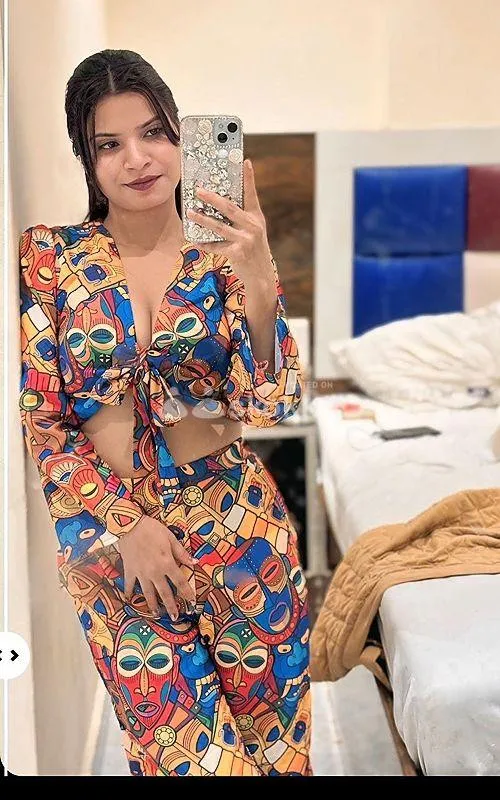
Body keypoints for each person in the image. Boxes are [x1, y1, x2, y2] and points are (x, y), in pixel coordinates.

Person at [19, 49, 311, 777]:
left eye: (154, 133)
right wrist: (129, 527)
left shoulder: (226, 255)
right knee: (189, 761)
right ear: (86, 159)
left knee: (276, 755)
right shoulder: (52, 259)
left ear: (181, 136)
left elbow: (272, 401)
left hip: (240, 528)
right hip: (114, 547)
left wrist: (260, 277)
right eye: (109, 143)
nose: (138, 158)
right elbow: (46, 422)